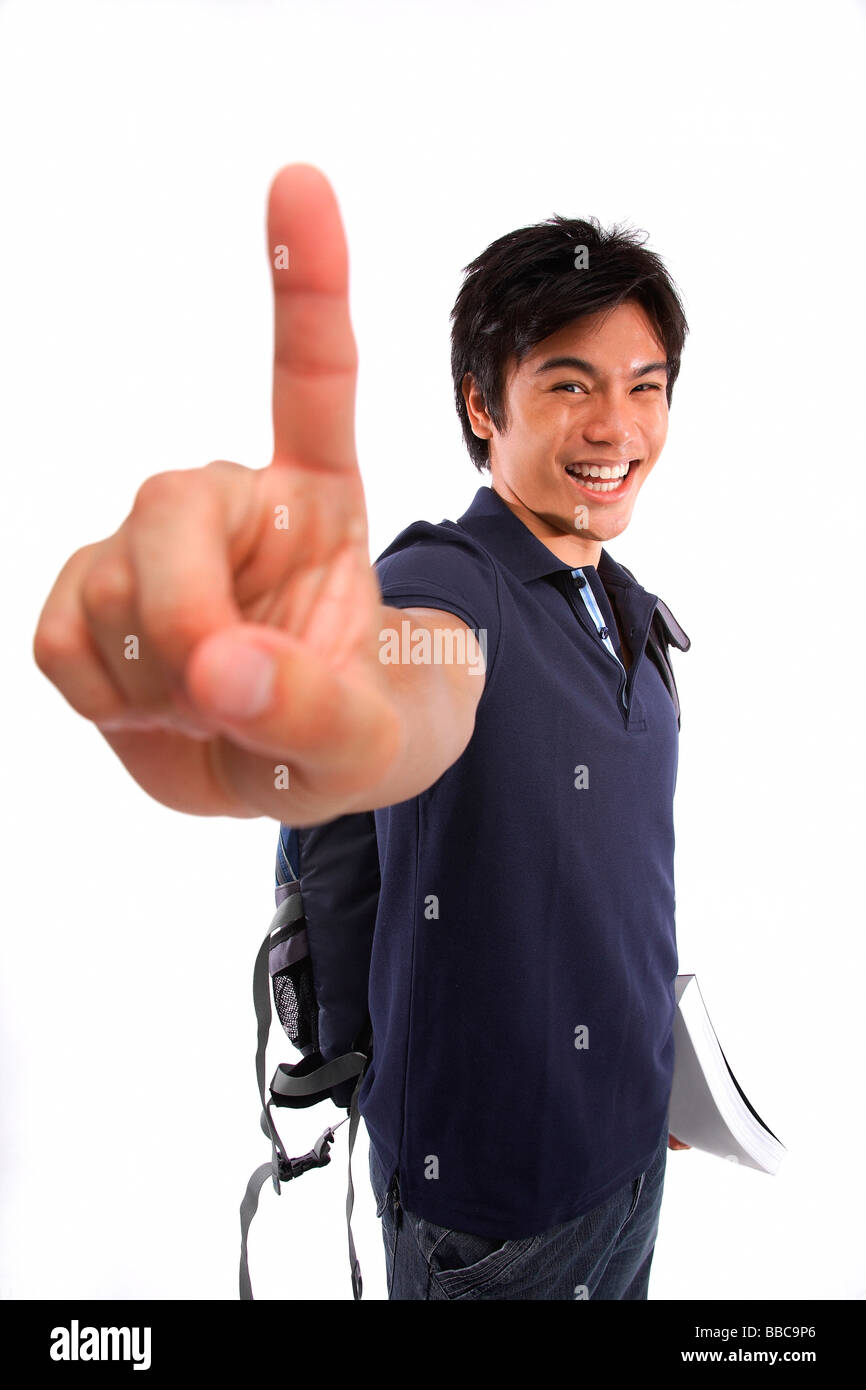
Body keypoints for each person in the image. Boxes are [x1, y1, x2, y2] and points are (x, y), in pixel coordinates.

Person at [32, 162, 690, 1302]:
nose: (615, 427)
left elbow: (605, 881)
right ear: (483, 406)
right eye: (569, 384)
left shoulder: (612, 599)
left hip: (632, 1164)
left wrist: (650, 1074)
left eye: (645, 385)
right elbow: (410, 672)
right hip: (493, 1221)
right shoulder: (450, 576)